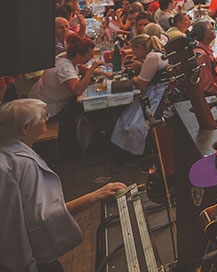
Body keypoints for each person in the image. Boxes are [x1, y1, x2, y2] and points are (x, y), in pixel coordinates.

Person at [0, 99, 127, 272]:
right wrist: (95, 196)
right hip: (33, 261)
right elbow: (45, 217)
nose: (47, 119)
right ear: (25, 128)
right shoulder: (24, 164)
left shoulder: (7, 153)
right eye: (44, 117)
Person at [111, 33, 169, 155]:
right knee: (127, 118)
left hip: (157, 96)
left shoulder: (152, 57)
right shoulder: (157, 53)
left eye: (134, 49)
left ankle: (137, 153)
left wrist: (130, 73)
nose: (133, 52)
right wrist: (139, 65)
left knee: (131, 124)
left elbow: (141, 83)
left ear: (141, 47)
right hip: (158, 91)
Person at [189, 21, 217, 97]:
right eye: (212, 29)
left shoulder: (202, 48)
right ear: (207, 35)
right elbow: (207, 84)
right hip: (209, 94)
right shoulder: (201, 55)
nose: (214, 30)